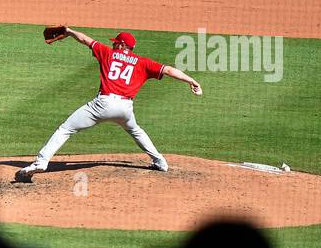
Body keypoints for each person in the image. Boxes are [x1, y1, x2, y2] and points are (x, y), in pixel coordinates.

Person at [15, 27, 202, 181]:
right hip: (125, 109)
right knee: (136, 130)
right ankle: (160, 162)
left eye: (115, 41)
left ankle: (41, 161)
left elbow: (85, 40)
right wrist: (192, 81)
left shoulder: (107, 53)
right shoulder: (142, 63)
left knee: (65, 129)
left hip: (102, 104)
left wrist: (69, 31)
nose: (113, 43)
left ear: (121, 45)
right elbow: (168, 69)